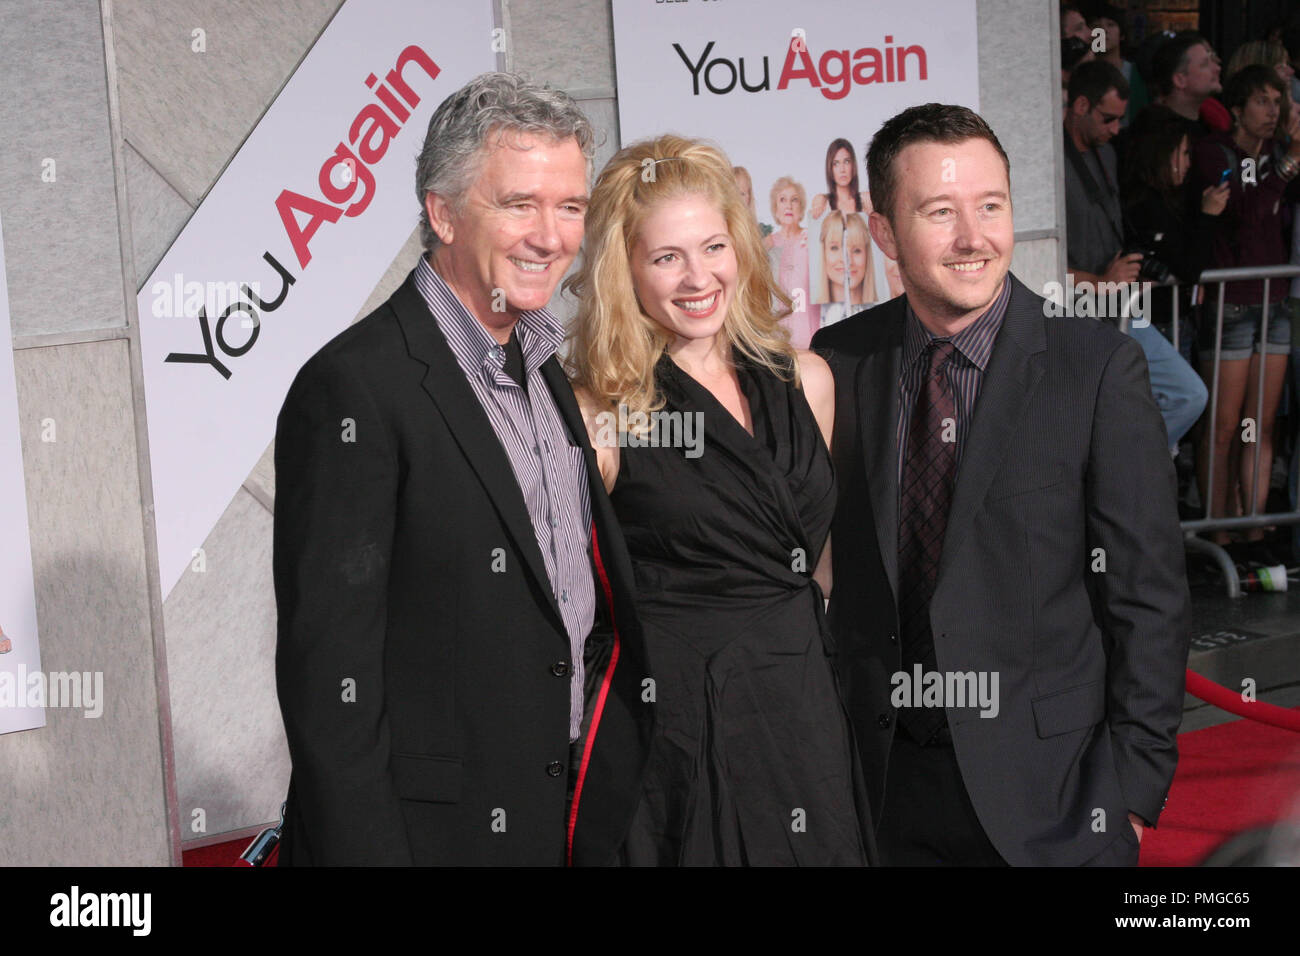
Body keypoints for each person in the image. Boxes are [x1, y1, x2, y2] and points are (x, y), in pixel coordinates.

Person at [272, 73, 652, 866]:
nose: (551, 236)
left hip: (573, 817)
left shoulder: (545, 360)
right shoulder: (354, 387)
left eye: (571, 206)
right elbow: (329, 682)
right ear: (442, 213)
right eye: (520, 204)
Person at [812, 103, 1191, 866]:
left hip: (1051, 798)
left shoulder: (1094, 368)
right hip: (880, 792)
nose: (972, 238)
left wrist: (1132, 792)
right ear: (884, 232)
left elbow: (1147, 593)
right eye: (940, 212)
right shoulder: (839, 361)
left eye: (991, 207)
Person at [565, 134, 873, 866]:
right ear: (625, 271)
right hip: (678, 734)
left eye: (713, 247)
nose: (697, 277)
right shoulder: (599, 414)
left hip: (803, 713)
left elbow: (820, 568)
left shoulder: (807, 382)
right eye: (666, 257)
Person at [1065, 61, 1208, 449]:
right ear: (1080, 105)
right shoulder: (1048, 165)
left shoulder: (1107, 155)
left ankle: (1130, 474)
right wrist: (1097, 282)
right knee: (1087, 423)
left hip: (1121, 311)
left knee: (1187, 395)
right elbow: (1031, 259)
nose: (1116, 130)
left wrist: (1128, 271)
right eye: (1108, 119)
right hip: (1070, 318)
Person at [1192, 65, 1300, 547]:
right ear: (1236, 108)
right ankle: (1217, 529)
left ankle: (1251, 524)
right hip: (1231, 303)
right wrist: (1289, 163)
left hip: (1275, 297)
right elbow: (1246, 211)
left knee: (1260, 421)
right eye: (1262, 100)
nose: (1272, 110)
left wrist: (1287, 159)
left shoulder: (1277, 154)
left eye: (1278, 101)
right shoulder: (1216, 152)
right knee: (1224, 424)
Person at [763, 176, 814, 347]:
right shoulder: (768, 244)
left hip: (809, 326)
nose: (789, 205)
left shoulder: (811, 238)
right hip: (778, 333)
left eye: (794, 200)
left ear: (801, 207)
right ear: (775, 208)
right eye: (782, 200)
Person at [816, 211, 874, 326]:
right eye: (834, 248)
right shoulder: (814, 317)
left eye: (856, 250)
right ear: (824, 253)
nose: (846, 260)